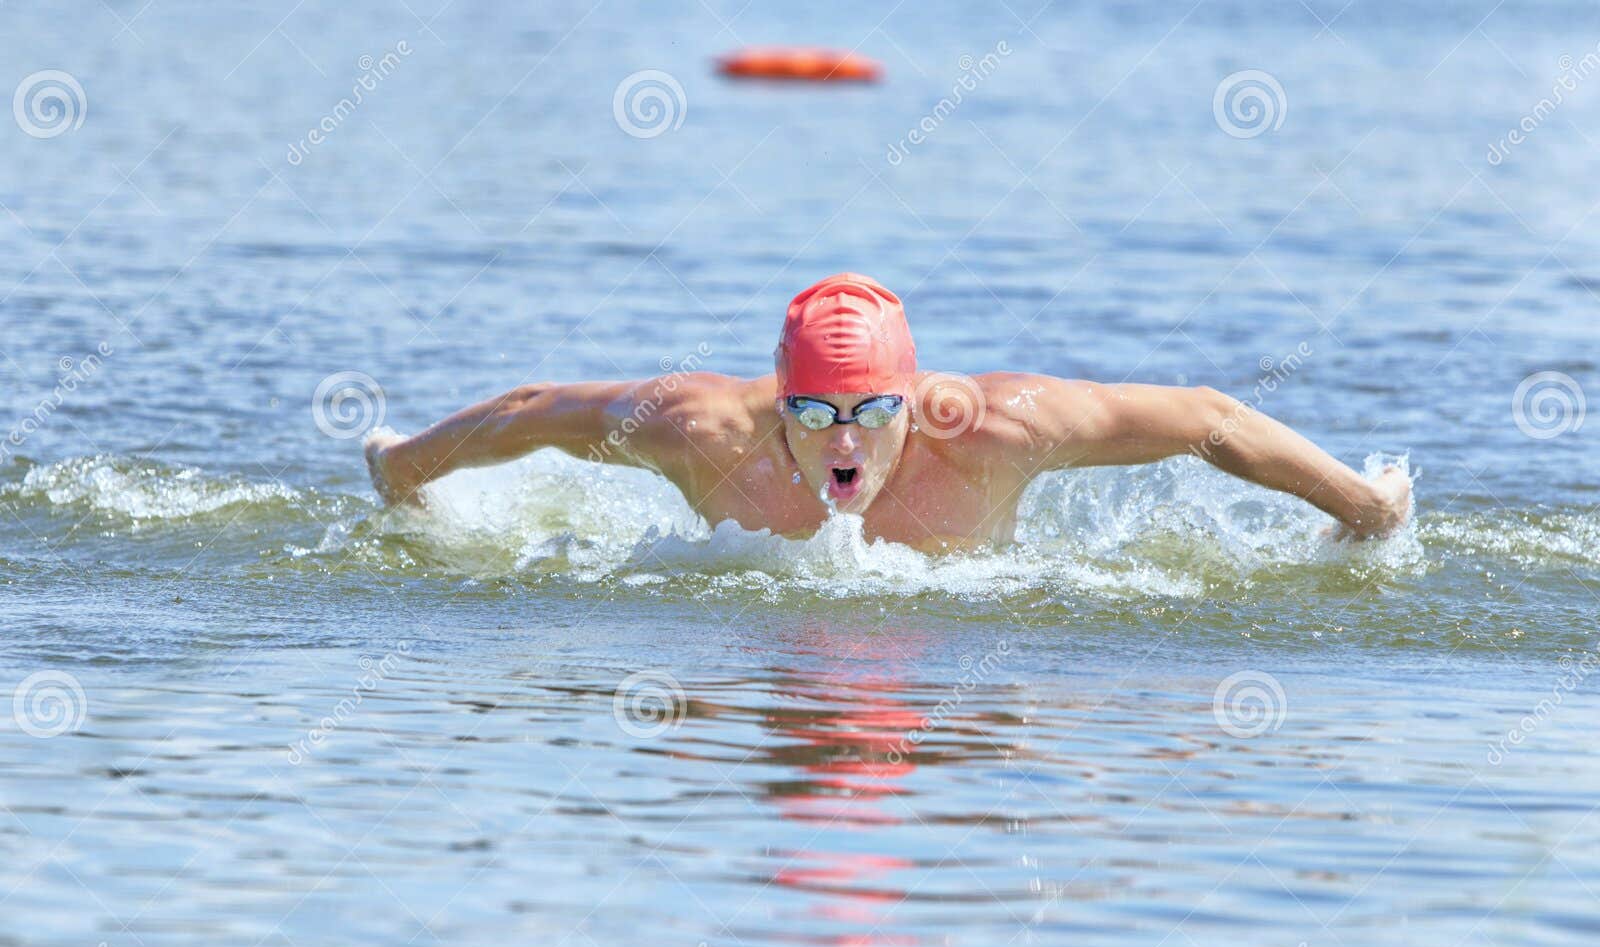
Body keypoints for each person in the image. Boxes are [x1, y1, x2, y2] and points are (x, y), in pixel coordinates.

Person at [364, 273, 1412, 553]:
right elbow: (535, 409)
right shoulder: (703, 428)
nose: (845, 439)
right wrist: (404, 465)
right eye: (815, 411)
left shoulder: (1002, 426)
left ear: (915, 399)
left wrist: (1363, 505)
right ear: (778, 401)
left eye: (873, 408)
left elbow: (1207, 417)